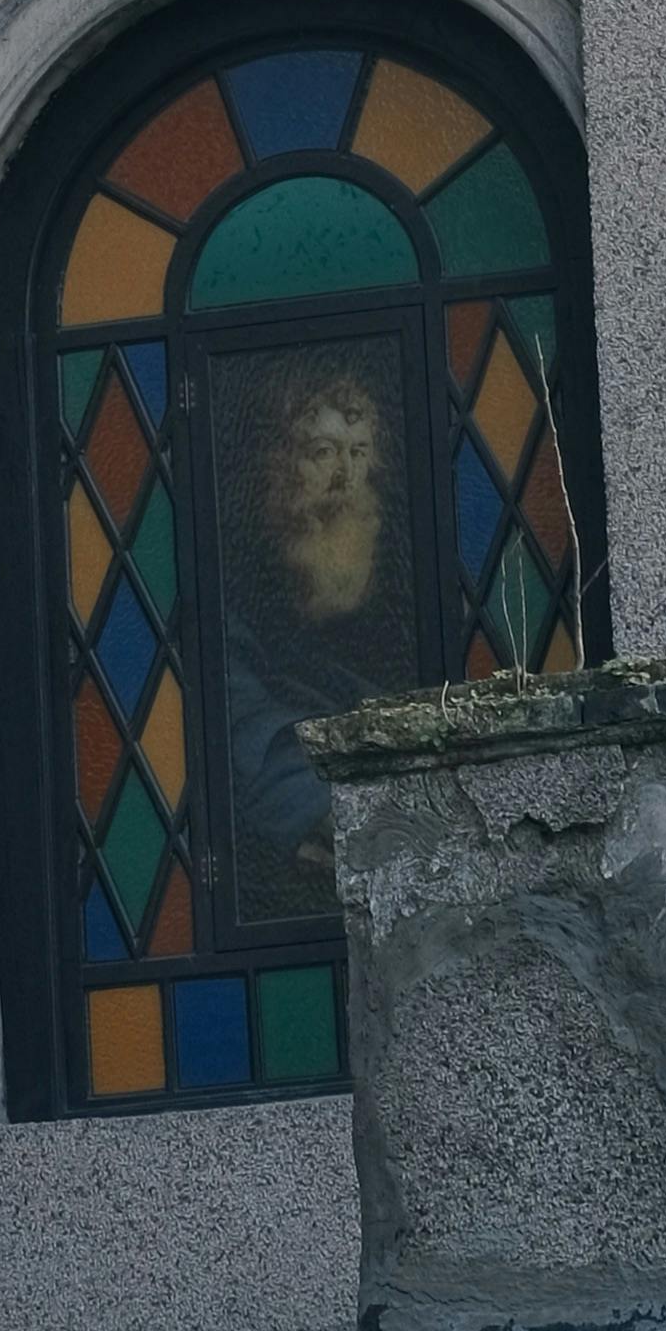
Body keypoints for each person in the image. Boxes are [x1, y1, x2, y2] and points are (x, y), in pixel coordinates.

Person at [214, 352, 411, 926]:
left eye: (358, 453)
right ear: (276, 468)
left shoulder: (390, 594)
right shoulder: (240, 593)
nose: (345, 482)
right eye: (322, 454)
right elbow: (245, 733)